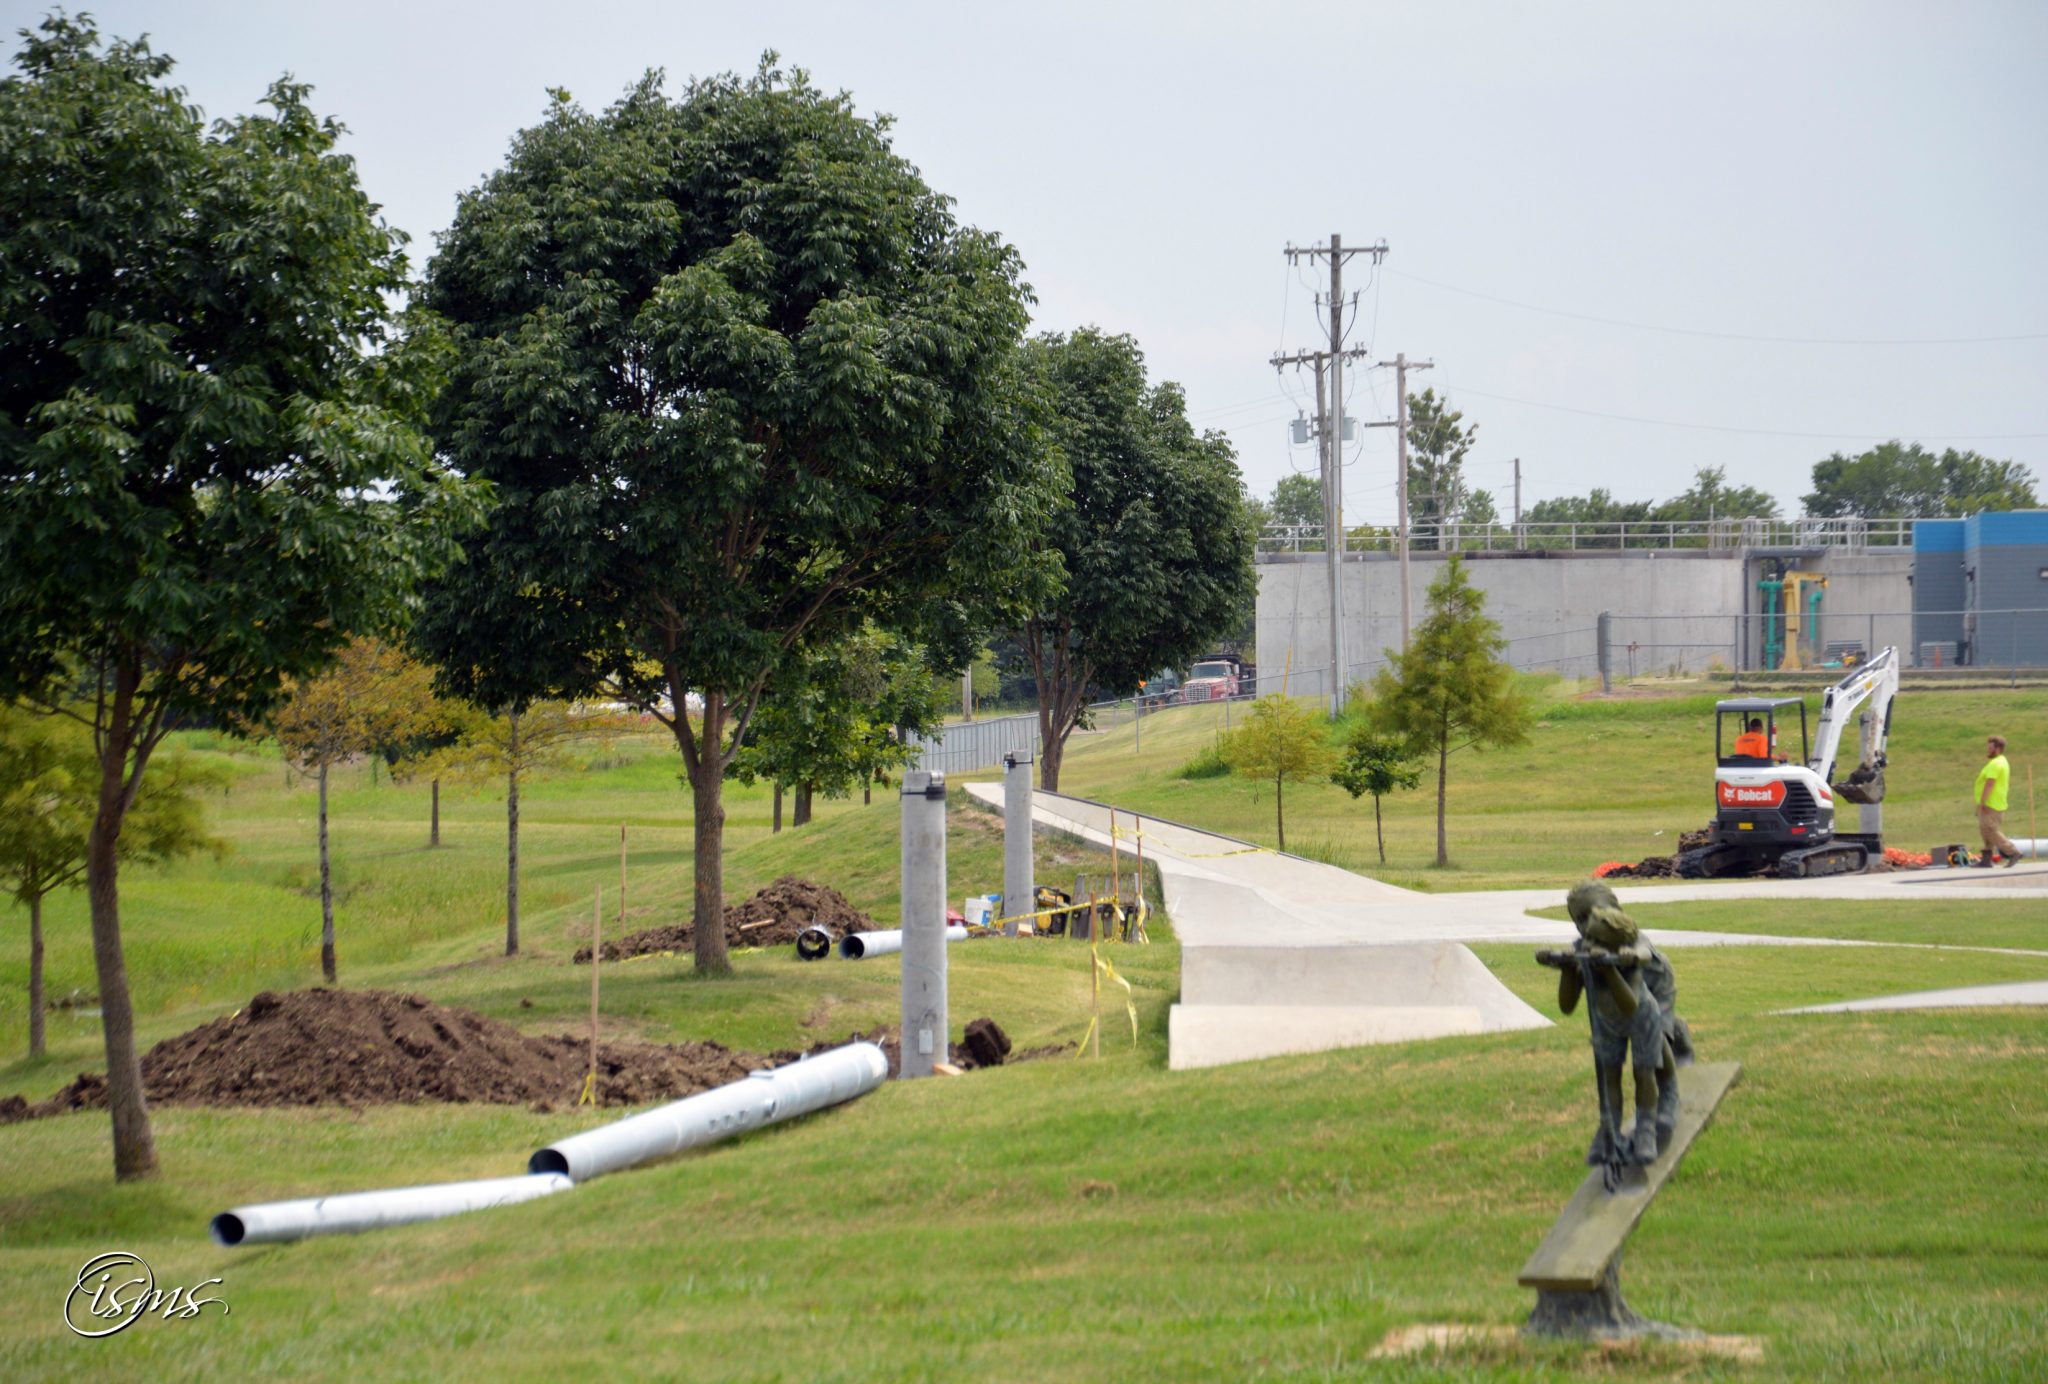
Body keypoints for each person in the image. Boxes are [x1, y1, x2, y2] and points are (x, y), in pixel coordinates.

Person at [1973, 734, 2019, 867]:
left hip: (1991, 803)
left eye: (1990, 747)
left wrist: (1983, 802)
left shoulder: (1996, 763)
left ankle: (2013, 852)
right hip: (1995, 803)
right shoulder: (2001, 761)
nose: (1988, 749)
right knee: (1985, 830)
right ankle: (1987, 859)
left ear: (1998, 748)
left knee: (1990, 830)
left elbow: (1990, 784)